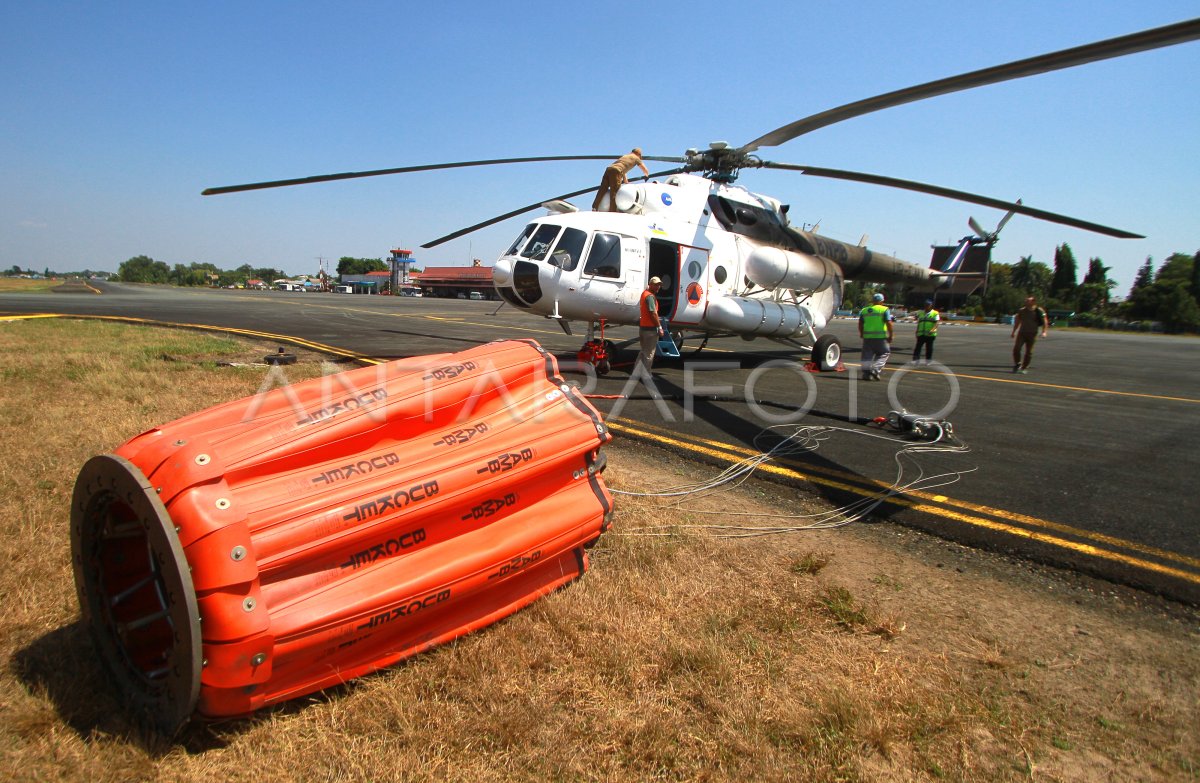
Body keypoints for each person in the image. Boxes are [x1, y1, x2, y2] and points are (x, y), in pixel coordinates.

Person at [858, 292, 894, 381]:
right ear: (882, 301)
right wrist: (891, 335)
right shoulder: (884, 310)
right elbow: (889, 323)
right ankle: (875, 369)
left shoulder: (864, 310)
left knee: (867, 355)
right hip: (880, 337)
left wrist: (862, 333)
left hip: (867, 337)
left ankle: (866, 374)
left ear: (873, 301)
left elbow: (860, 324)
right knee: (884, 353)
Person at [1011, 296, 1049, 373]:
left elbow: (1045, 322)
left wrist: (1044, 332)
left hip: (1032, 333)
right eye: (1026, 301)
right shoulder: (1021, 311)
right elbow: (1017, 322)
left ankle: (1024, 367)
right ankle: (1017, 363)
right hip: (1022, 333)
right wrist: (1014, 331)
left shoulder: (1039, 310)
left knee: (1029, 352)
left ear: (1033, 302)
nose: (1026, 302)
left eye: (1028, 301)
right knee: (1016, 349)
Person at [637, 276, 664, 376]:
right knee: (649, 354)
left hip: (643, 328)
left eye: (659, 285)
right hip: (650, 330)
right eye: (656, 285)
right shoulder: (650, 297)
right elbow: (653, 313)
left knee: (643, 352)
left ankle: (637, 372)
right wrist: (659, 327)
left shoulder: (644, 294)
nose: (658, 287)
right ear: (650, 284)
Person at [913, 299, 940, 364]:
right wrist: (917, 331)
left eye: (928, 305)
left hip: (930, 334)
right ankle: (916, 360)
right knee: (918, 348)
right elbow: (919, 322)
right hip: (921, 333)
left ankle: (928, 360)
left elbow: (937, 323)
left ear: (931, 305)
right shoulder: (921, 313)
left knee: (929, 348)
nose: (926, 306)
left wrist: (932, 330)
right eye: (925, 305)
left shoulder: (935, 313)